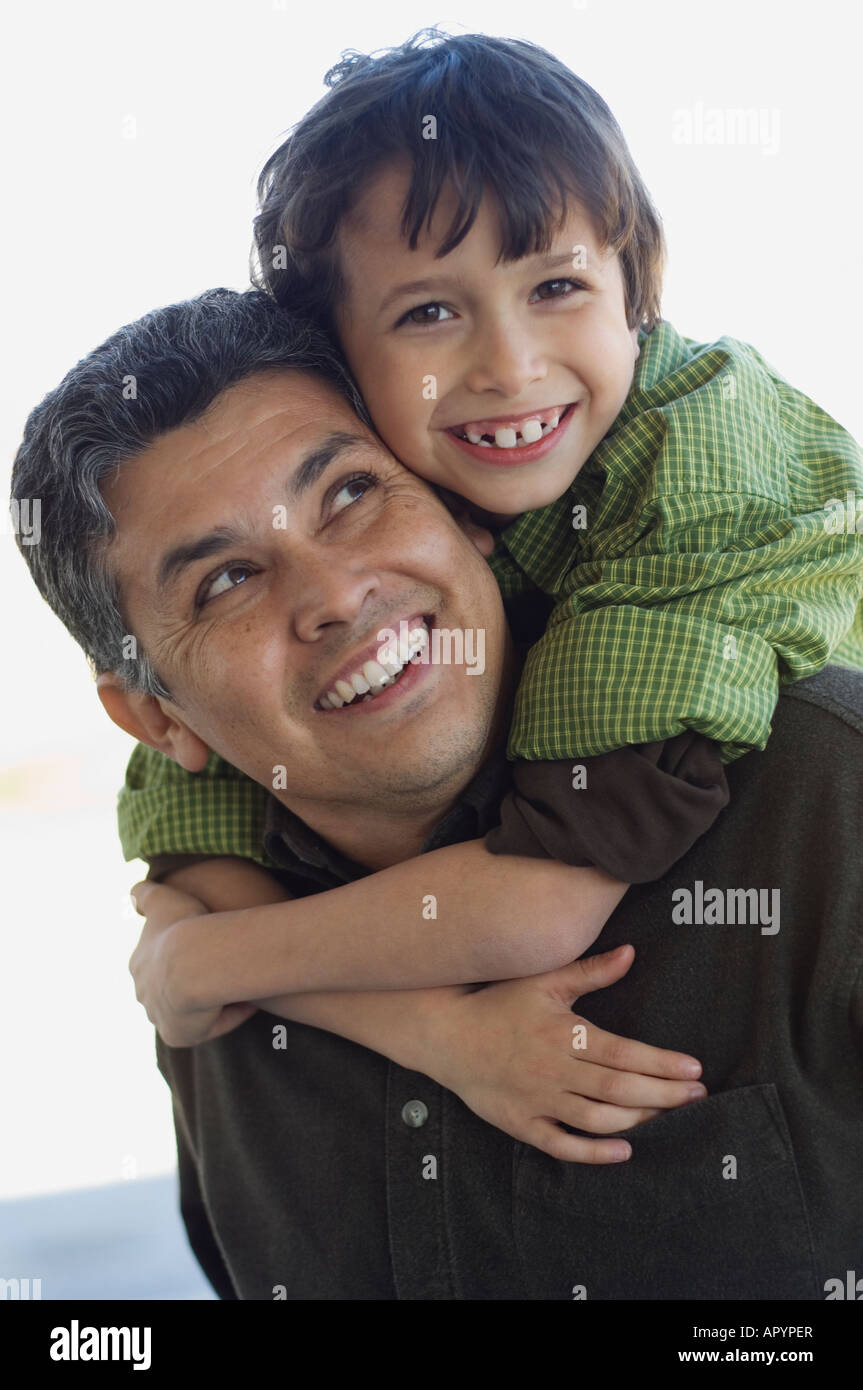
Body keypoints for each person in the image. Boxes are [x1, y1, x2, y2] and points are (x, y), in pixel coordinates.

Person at [12, 290, 863, 1299]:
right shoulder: (209, 959)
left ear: (463, 506)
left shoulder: (824, 794)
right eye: (226, 580)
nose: (333, 596)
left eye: (348, 494)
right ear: (158, 722)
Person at [118, 30, 863, 981]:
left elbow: (544, 898)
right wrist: (428, 1028)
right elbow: (200, 797)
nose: (510, 368)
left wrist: (201, 968)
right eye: (429, 313)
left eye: (557, 285)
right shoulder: (385, 483)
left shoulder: (695, 479)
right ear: (338, 360)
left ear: (634, 286)